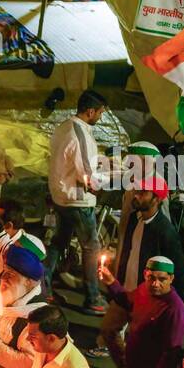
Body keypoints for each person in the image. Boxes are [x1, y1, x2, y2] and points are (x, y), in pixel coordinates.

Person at [100, 175, 184, 360]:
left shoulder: (165, 232)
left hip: (145, 298)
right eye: (136, 191)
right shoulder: (134, 218)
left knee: (139, 343)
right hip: (125, 291)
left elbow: (177, 270)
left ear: (156, 198)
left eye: (142, 192)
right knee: (108, 329)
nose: (136, 196)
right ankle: (124, 367)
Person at [47, 89, 110, 313]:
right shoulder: (79, 132)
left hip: (60, 195)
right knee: (92, 247)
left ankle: (43, 289)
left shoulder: (63, 126)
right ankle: (93, 298)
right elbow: (88, 174)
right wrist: (108, 179)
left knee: (60, 240)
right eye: (100, 113)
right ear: (90, 111)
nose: (100, 117)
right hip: (77, 200)